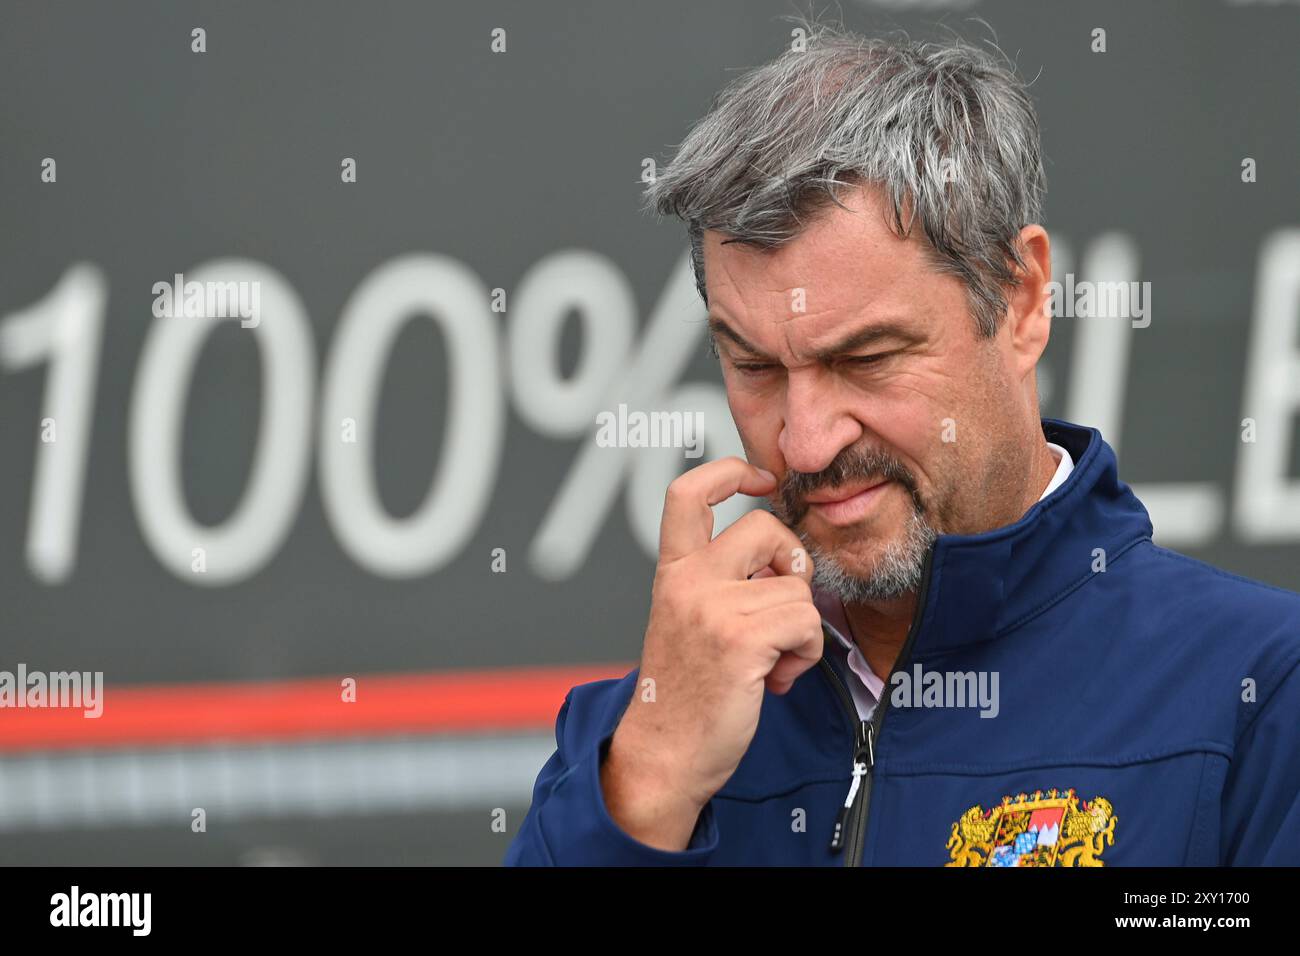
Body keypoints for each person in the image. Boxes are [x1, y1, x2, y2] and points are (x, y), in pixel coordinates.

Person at [503, 24, 1300, 866]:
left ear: (1022, 300)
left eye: (867, 359)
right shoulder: (632, 745)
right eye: (755, 367)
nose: (807, 445)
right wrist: (654, 777)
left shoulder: (1260, 695)